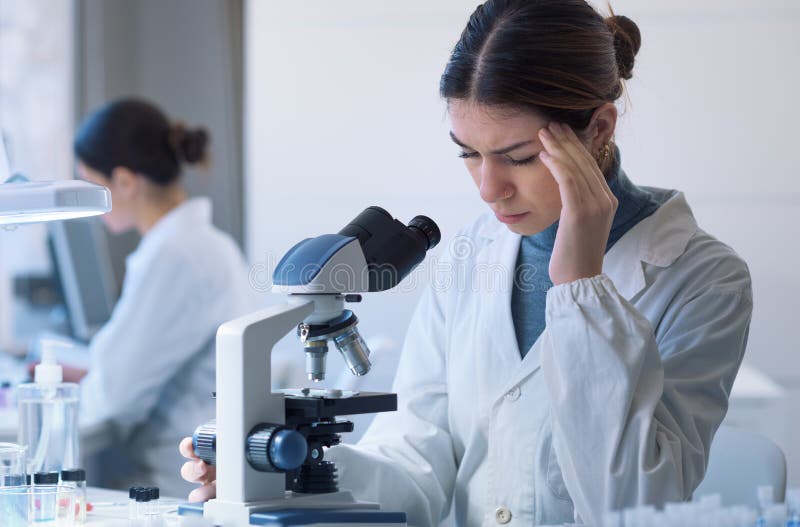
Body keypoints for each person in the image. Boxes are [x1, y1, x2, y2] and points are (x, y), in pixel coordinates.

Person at [179, 1, 753, 525]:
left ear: (598, 129)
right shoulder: (470, 252)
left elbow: (632, 506)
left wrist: (580, 287)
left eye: (519, 158)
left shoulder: (702, 278)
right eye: (468, 153)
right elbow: (418, 463)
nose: (488, 188)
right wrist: (292, 476)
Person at [72, 98, 256, 495]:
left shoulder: (175, 254)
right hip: (191, 468)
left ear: (123, 180)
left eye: (90, 185)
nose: (89, 206)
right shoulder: (198, 243)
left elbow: (114, 397)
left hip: (178, 482)